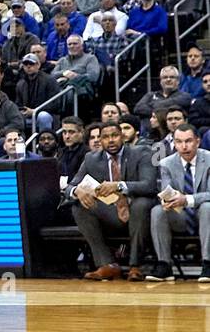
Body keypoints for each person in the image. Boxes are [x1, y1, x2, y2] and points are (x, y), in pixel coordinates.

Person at [65, 120, 158, 281]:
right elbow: (69, 187)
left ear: (122, 137)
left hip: (137, 211)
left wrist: (119, 186)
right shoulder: (91, 159)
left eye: (115, 135)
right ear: (100, 141)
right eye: (106, 137)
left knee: (141, 204)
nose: (111, 140)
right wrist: (76, 190)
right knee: (79, 206)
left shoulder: (142, 152)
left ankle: (135, 266)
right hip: (110, 213)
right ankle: (107, 265)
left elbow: (149, 185)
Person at [148, 124, 210, 282]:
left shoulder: (209, 159)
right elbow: (166, 190)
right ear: (174, 143)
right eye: (179, 142)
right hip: (181, 216)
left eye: (188, 141)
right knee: (158, 210)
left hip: (205, 216)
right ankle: (164, 264)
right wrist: (167, 200)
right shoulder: (166, 163)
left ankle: (207, 263)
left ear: (198, 141)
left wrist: (187, 199)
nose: (184, 146)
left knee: (207, 207)